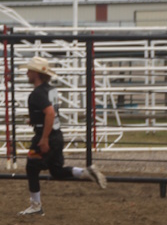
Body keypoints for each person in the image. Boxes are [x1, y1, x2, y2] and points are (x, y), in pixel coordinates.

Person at [19, 56, 107, 216]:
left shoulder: (37, 94)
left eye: (29, 70)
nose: (27, 73)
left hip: (47, 137)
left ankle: (36, 206)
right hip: (57, 136)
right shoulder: (50, 90)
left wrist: (44, 138)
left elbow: (50, 113)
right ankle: (85, 172)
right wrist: (36, 120)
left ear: (36, 73)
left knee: (31, 166)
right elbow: (51, 112)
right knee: (56, 171)